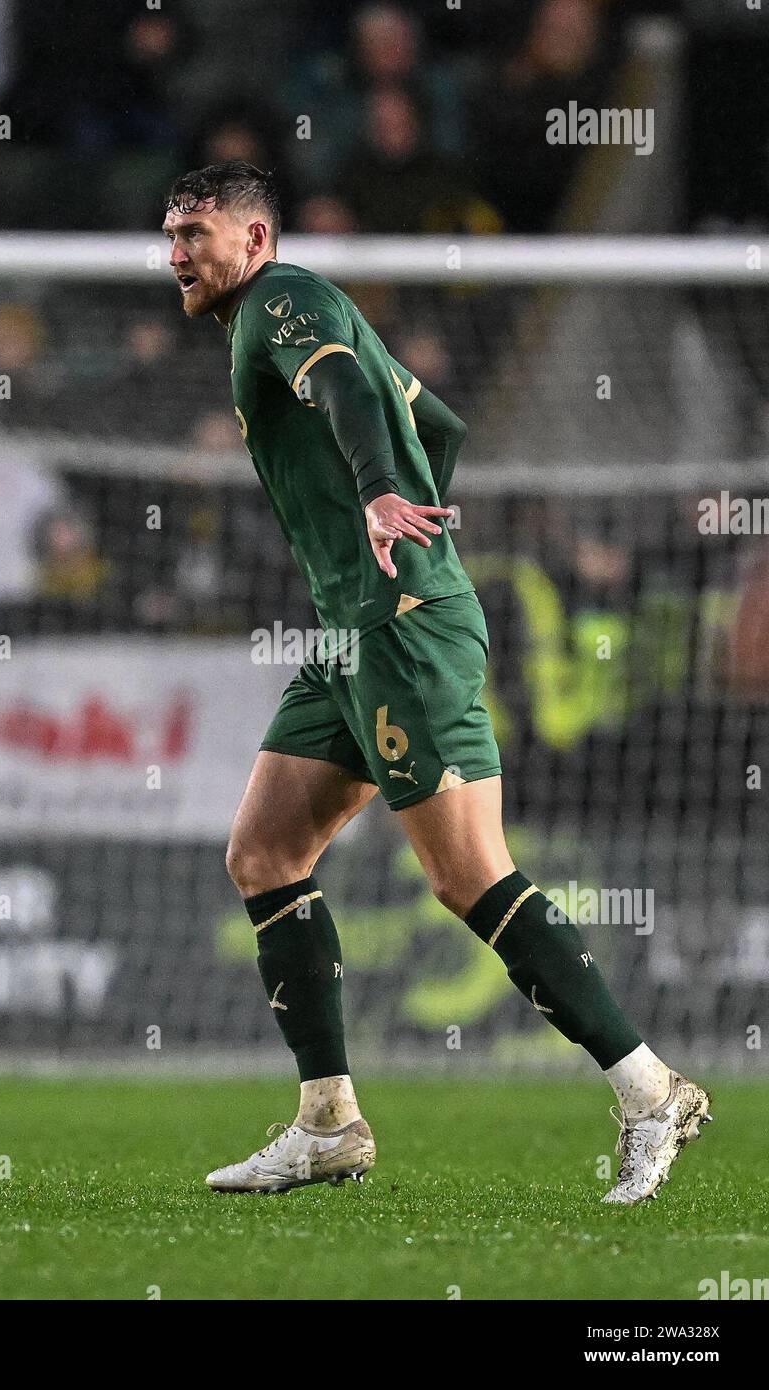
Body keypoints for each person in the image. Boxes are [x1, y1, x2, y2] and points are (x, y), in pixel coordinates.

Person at [162, 160, 712, 1203]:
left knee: (467, 876)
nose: (177, 252)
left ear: (256, 240)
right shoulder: (285, 311)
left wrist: (380, 504)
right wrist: (407, 523)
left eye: (196, 231)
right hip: (356, 629)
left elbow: (353, 388)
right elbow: (440, 426)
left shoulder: (280, 301)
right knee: (266, 850)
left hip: (398, 629)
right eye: (170, 234)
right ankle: (327, 1122)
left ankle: (652, 1091)